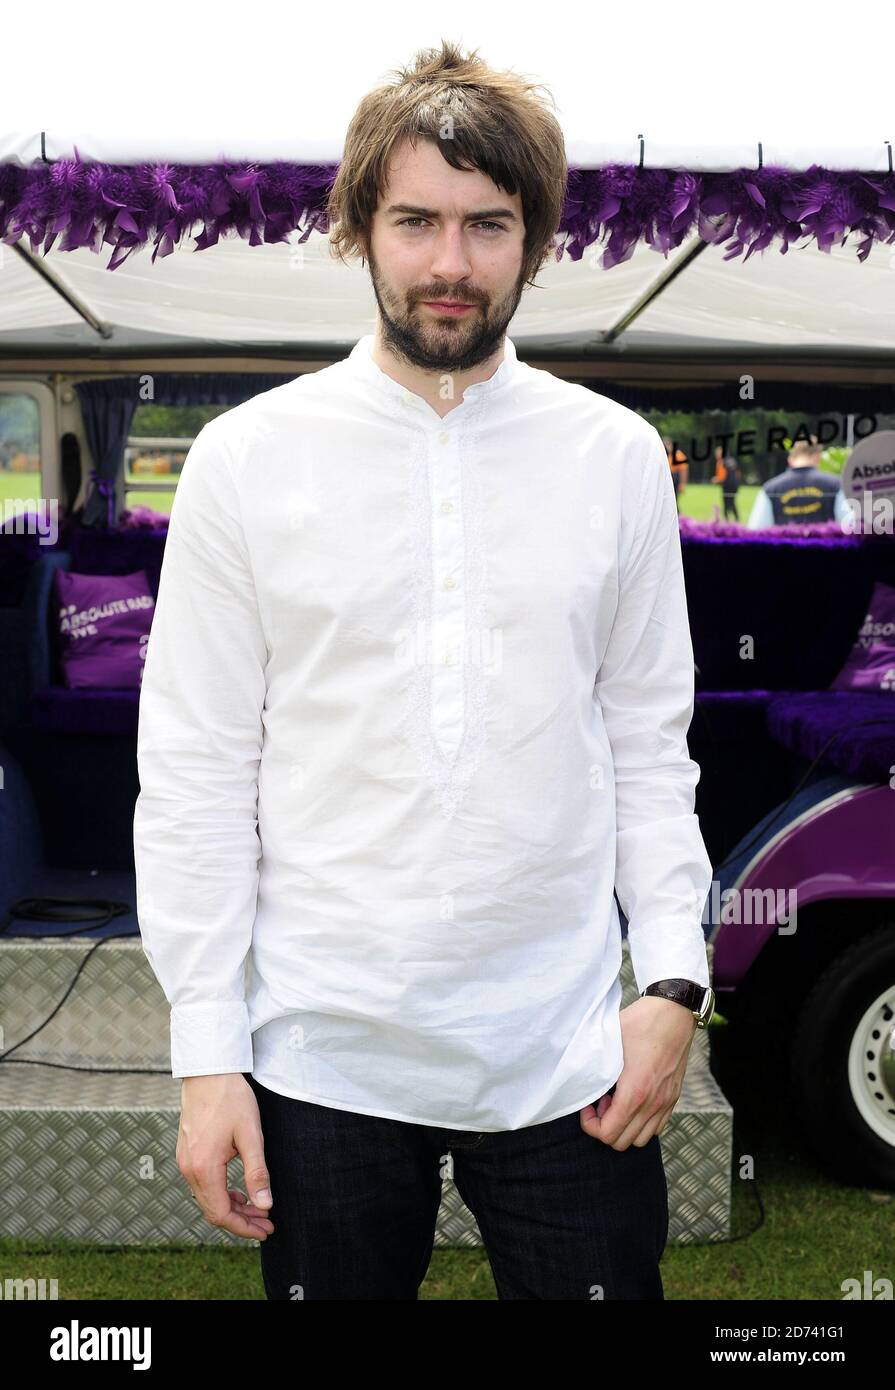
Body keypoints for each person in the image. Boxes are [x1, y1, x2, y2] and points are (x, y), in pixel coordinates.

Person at [134, 38, 714, 1302]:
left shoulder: (613, 457)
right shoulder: (245, 460)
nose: (450, 263)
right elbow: (194, 773)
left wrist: (673, 982)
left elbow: (646, 748)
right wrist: (205, 1054)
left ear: (534, 241)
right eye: (415, 221)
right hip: (320, 1056)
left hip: (567, 1055)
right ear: (359, 229)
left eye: (486, 224)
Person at [746, 435, 850, 528]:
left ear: (790, 459)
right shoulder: (836, 484)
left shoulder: (770, 489)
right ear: (818, 457)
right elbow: (850, 526)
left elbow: (756, 530)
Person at [712, 444, 741, 520]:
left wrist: (715, 479)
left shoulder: (721, 462)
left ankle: (726, 518)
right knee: (732, 501)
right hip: (735, 485)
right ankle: (737, 518)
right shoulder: (732, 460)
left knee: (725, 502)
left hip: (727, 485)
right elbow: (738, 473)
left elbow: (722, 477)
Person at [662, 434, 688, 511]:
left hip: (674, 477)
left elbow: (684, 470)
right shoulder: (662, 454)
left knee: (673, 500)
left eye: (668, 444)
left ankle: (677, 514)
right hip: (665, 477)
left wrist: (682, 484)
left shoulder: (678, 454)